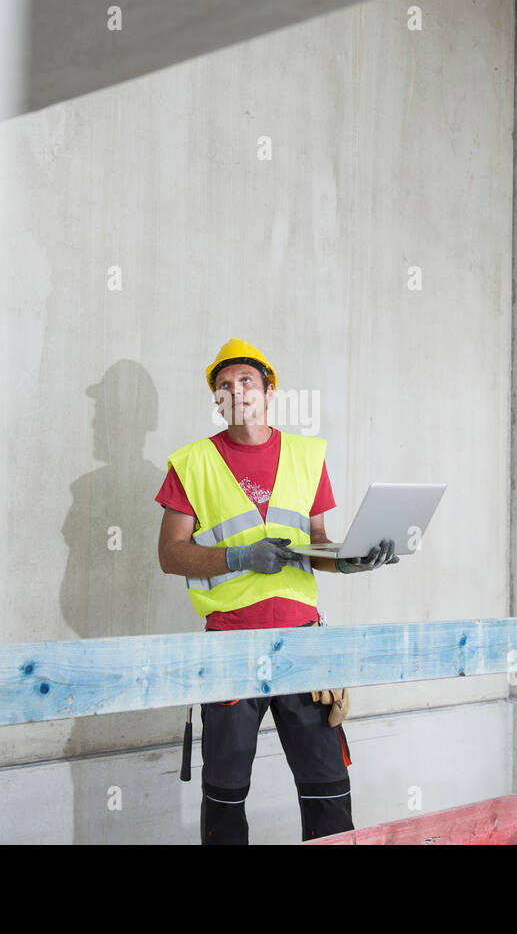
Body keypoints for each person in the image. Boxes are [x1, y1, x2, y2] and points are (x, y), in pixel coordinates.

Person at [156, 338, 397, 844]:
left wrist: (351, 561)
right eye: (224, 385)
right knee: (225, 794)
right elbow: (170, 555)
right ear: (217, 400)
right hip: (230, 646)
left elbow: (317, 544)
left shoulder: (307, 456)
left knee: (327, 788)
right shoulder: (192, 463)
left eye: (246, 381)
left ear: (269, 393)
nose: (235, 390)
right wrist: (239, 557)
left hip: (302, 643)